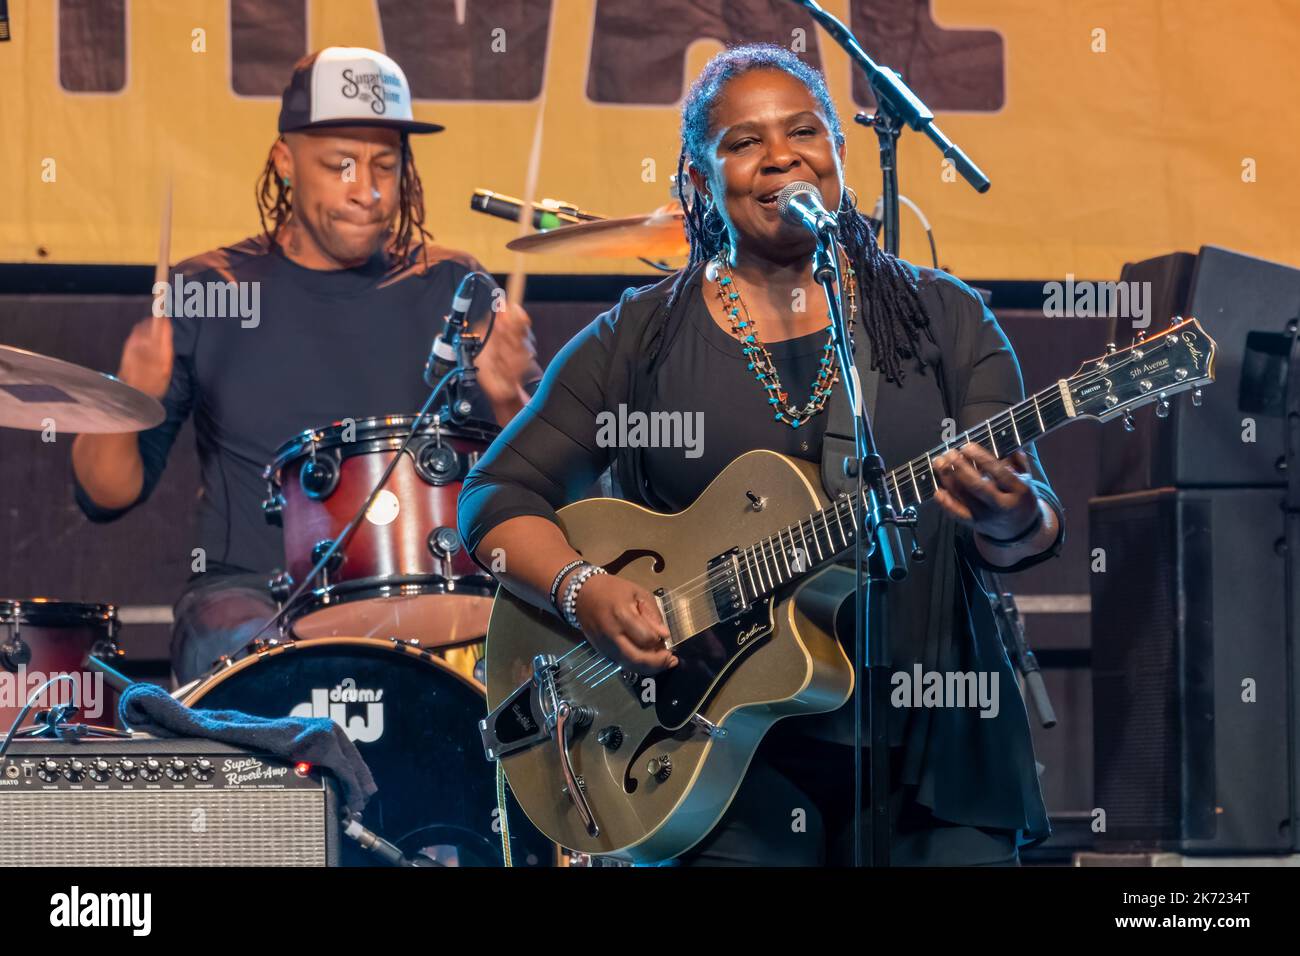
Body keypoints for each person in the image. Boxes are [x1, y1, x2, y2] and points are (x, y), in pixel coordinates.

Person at [458, 44, 1064, 866]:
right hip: (716, 753)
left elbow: (1024, 535)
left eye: (804, 131)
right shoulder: (640, 338)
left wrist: (1015, 513)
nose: (781, 155)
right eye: (745, 142)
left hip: (933, 740)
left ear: (839, 157)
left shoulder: (942, 320)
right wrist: (583, 591)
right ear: (703, 181)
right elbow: (494, 497)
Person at [71, 47, 540, 685]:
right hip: (250, 598)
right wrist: (126, 397)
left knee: (532, 654)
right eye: (339, 165)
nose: (368, 192)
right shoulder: (206, 292)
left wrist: (514, 399)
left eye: (385, 163)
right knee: (250, 660)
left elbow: (551, 488)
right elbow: (106, 495)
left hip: (431, 595)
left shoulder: (458, 287)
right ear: (285, 164)